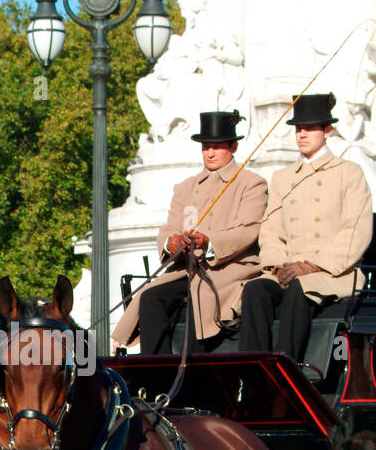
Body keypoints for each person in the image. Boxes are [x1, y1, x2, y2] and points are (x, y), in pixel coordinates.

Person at [112, 110, 268, 354]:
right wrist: (172, 244)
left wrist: (209, 243)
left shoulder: (251, 183)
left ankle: (193, 372)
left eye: (217, 146)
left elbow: (249, 229)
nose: (210, 153)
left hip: (229, 270)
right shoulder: (185, 188)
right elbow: (170, 228)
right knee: (151, 297)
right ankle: (157, 375)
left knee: (200, 294)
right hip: (186, 270)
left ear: (233, 146)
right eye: (206, 147)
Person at [239, 93, 373, 361]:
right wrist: (277, 266)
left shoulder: (349, 172)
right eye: (299, 129)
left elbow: (355, 230)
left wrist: (311, 265)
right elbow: (271, 229)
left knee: (301, 287)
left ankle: (288, 372)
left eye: (310, 128)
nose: (302, 134)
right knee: (254, 289)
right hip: (287, 271)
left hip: (334, 272)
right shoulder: (283, 178)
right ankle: (253, 371)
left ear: (327, 130)